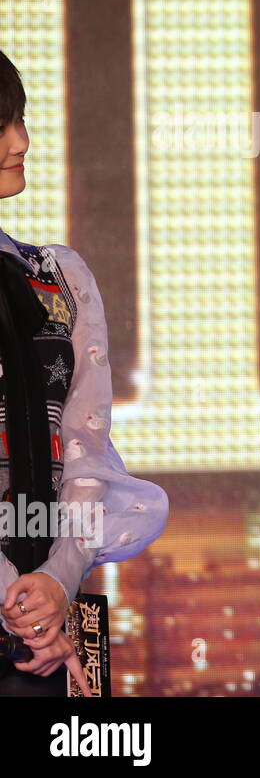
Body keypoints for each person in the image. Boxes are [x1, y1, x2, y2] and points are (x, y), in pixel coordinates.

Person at [0, 49, 168, 696]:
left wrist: (58, 581)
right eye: (3, 123)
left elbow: (87, 455)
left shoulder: (60, 277)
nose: (23, 140)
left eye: (21, 118)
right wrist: (18, 597)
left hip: (49, 623)